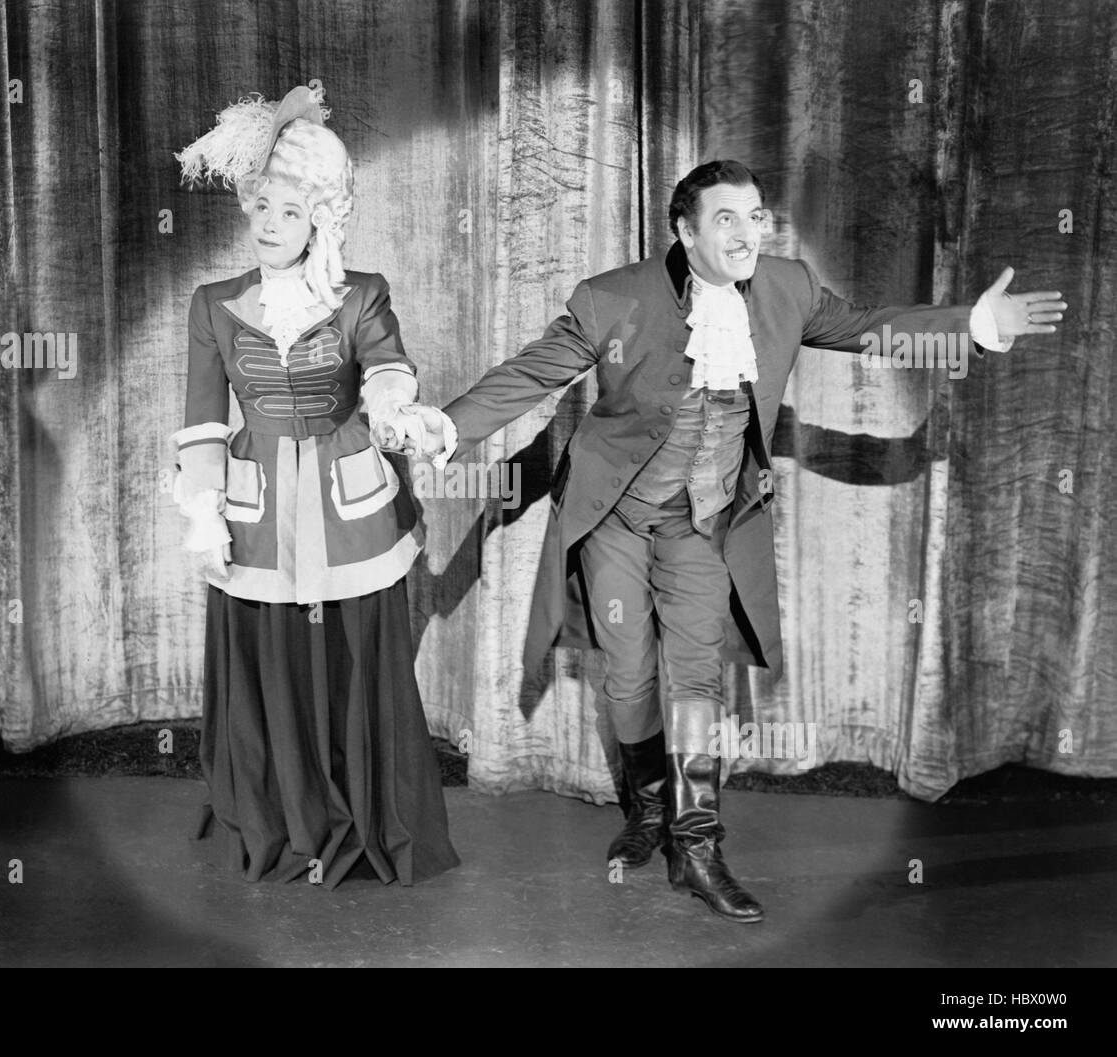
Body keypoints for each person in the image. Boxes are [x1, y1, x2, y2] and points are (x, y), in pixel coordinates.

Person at [387, 159, 1066, 921]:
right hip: (615, 516)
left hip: (704, 523)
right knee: (628, 678)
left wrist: (971, 325)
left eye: (756, 215)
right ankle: (645, 809)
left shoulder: (788, 288)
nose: (748, 233)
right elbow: (531, 373)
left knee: (696, 677)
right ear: (685, 229)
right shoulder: (614, 297)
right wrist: (445, 424)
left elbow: (870, 329)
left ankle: (699, 844)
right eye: (727, 219)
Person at [170, 81, 460, 888]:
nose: (269, 225)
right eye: (260, 207)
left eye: (288, 212)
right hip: (255, 512)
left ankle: (363, 816)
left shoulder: (359, 293)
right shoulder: (215, 305)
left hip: (351, 506)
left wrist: (398, 411)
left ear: (320, 219)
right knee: (271, 668)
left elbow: (389, 368)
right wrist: (204, 513)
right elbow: (200, 422)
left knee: (354, 663)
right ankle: (283, 818)